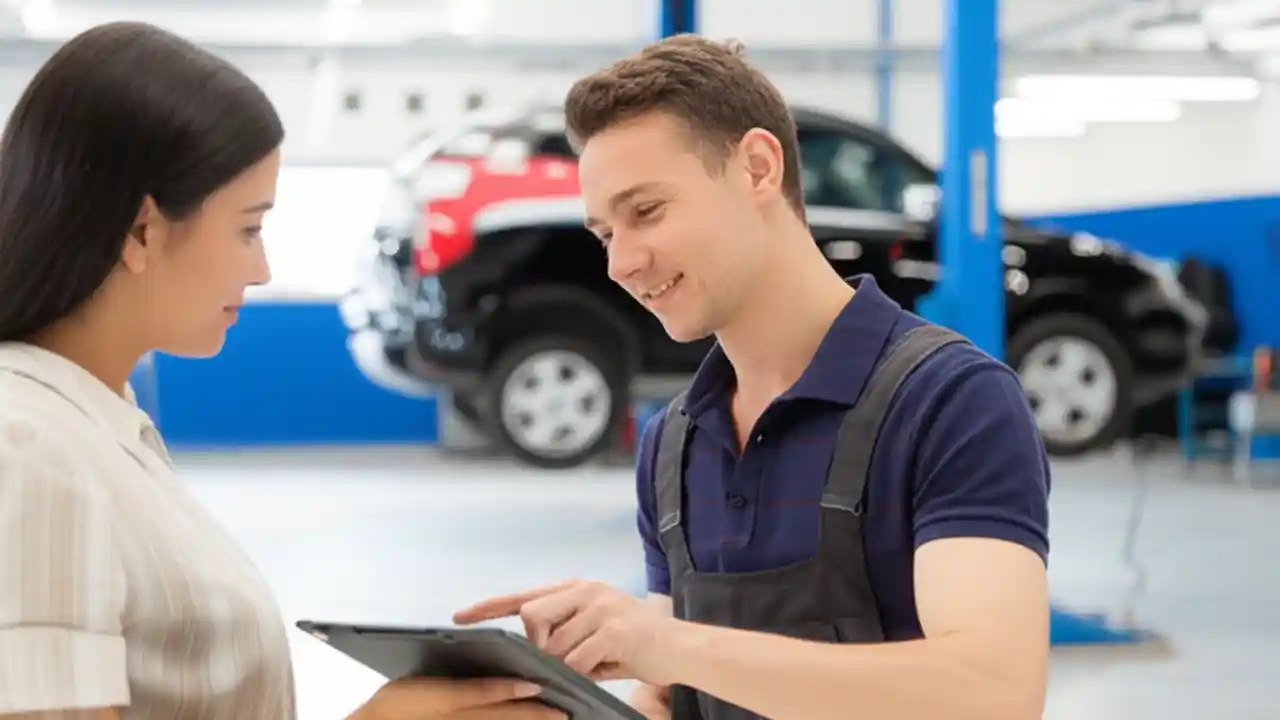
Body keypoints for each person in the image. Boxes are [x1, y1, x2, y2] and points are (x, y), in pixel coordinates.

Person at [455, 34, 1052, 720]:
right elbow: (673, 695)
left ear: (759, 169)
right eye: (604, 234)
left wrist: (669, 644)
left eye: (645, 211)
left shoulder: (951, 403)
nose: (620, 264)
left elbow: (994, 694)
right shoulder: (675, 443)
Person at [0, 21, 562, 720]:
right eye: (248, 227)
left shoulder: (97, 428)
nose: (261, 269)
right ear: (142, 231)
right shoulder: (29, 449)